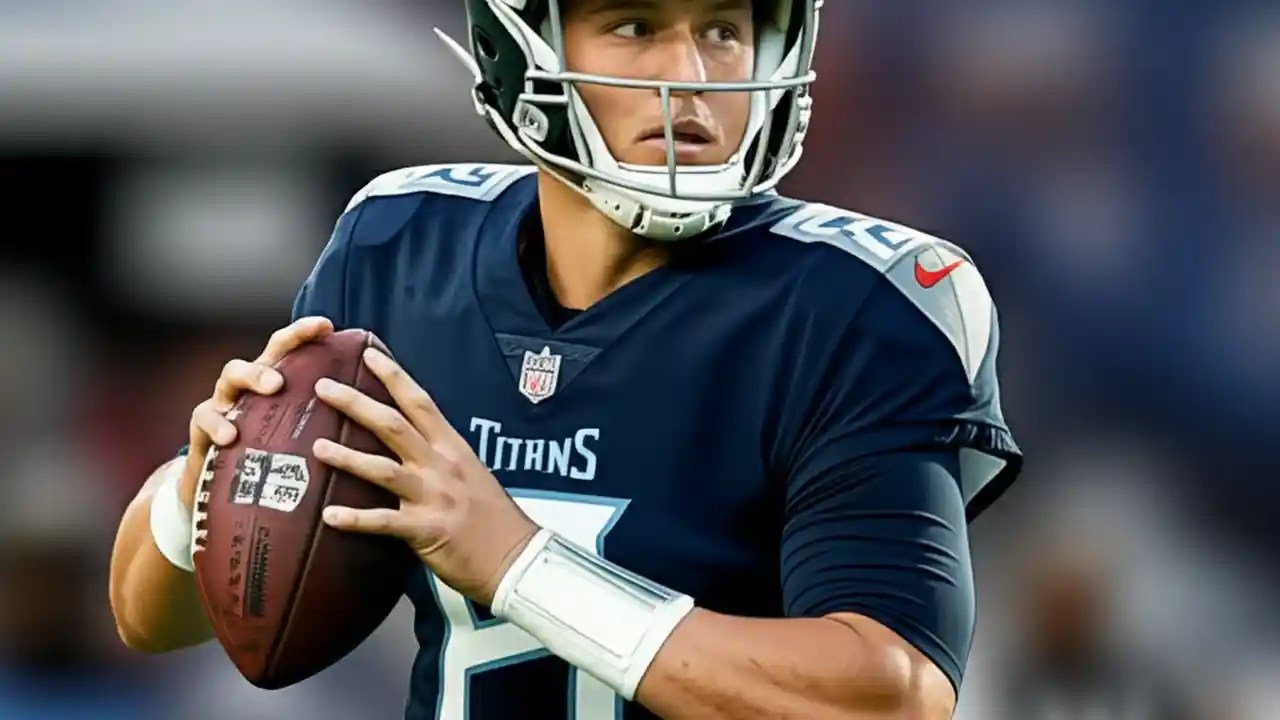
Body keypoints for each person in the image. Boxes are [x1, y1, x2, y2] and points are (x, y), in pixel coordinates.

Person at [109, 1, 1023, 718]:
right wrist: (205, 484)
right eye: (635, 26)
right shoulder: (396, 249)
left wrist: (516, 562)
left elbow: (892, 695)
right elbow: (146, 618)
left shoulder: (861, 304)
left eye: (723, 29)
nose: (692, 76)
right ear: (521, 40)